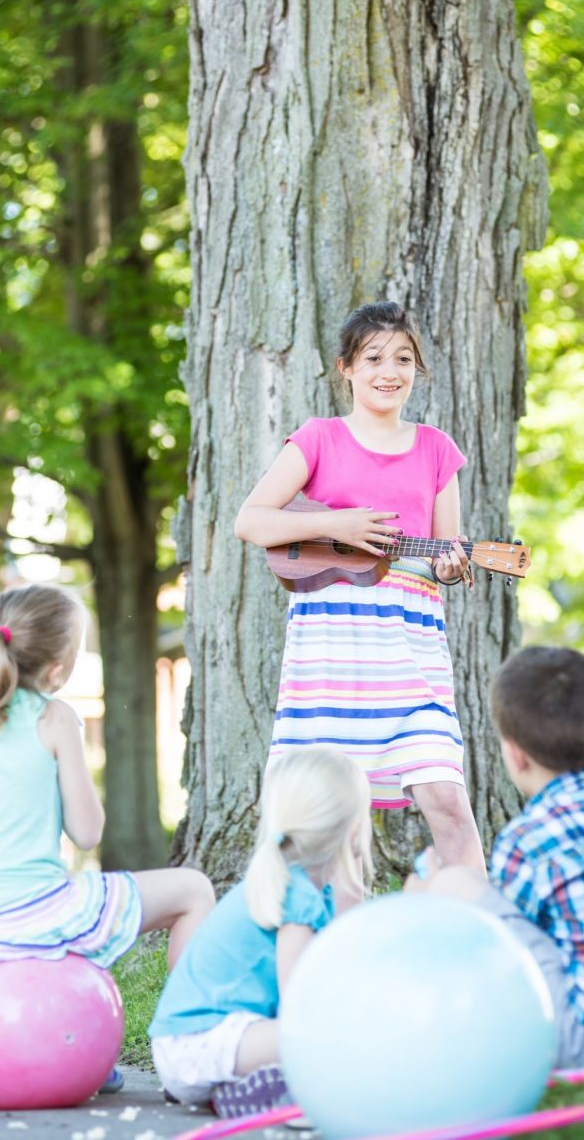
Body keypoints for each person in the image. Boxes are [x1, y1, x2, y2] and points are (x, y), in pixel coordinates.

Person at [0, 583, 215, 1093]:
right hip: (38, 910)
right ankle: (189, 1051)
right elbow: (88, 830)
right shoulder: (57, 718)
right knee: (193, 891)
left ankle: (75, 1043)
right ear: (57, 670)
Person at [234, 301, 485, 873]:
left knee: (445, 796)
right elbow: (251, 521)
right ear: (346, 367)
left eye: (402, 358)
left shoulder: (436, 449)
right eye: (373, 357)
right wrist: (333, 524)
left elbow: (446, 553)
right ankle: (321, 941)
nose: (388, 371)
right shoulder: (319, 439)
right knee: (327, 822)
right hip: (332, 650)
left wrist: (452, 566)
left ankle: (480, 932)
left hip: (410, 651)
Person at [406, 645, 584, 1066]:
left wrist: (430, 892)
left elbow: (505, 953)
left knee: (450, 883)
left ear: (515, 756)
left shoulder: (526, 839)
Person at [148, 747, 374, 1117]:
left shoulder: (298, 886)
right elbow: (299, 1005)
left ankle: (249, 1084)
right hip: (193, 1049)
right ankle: (260, 1094)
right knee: (327, 1033)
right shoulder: (296, 896)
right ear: (352, 829)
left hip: (194, 1047)